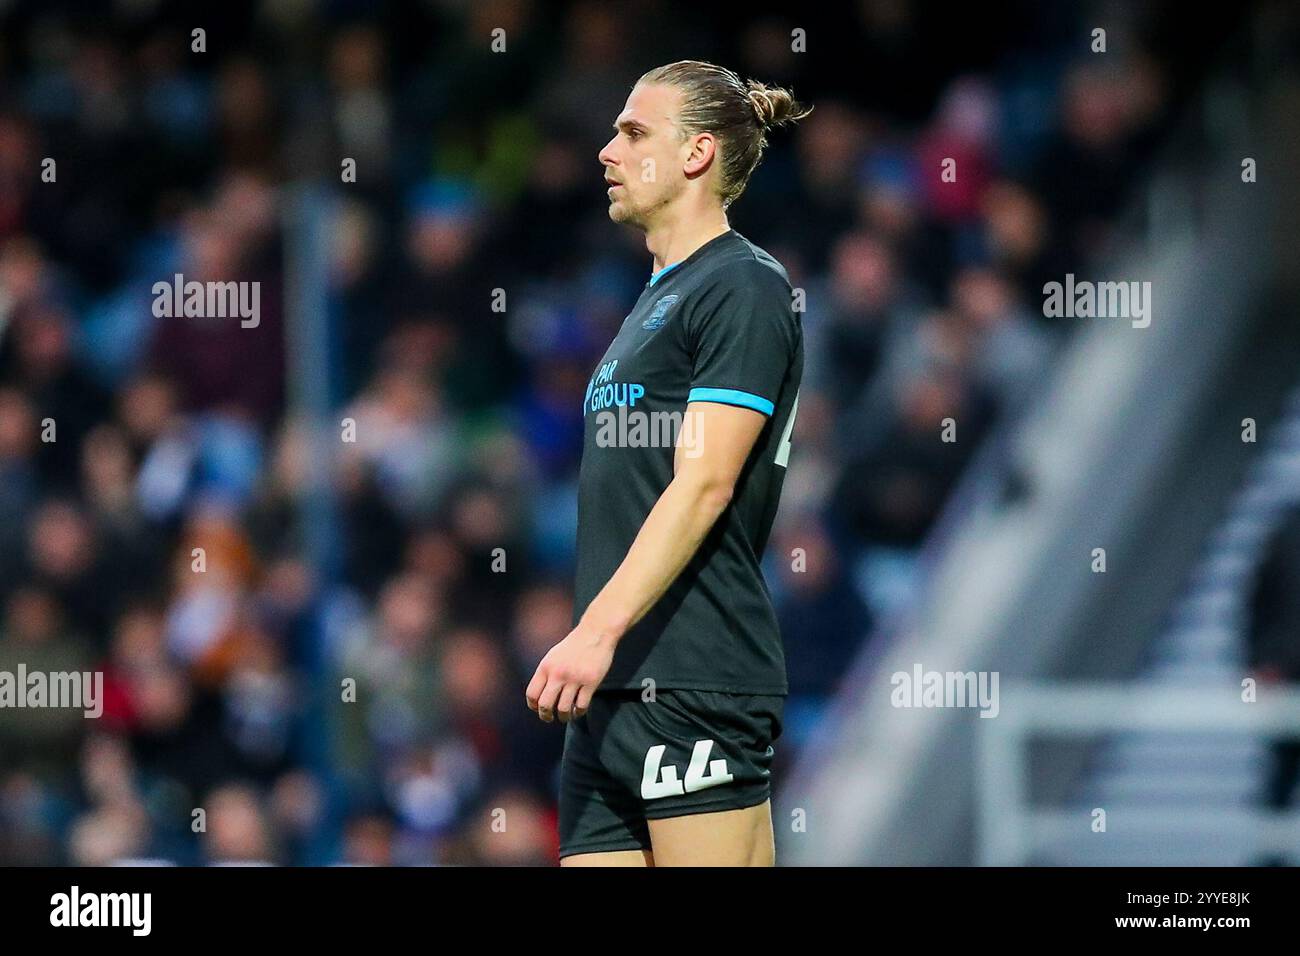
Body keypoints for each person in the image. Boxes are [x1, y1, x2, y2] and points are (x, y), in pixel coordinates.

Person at [524, 60, 810, 866]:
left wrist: (595, 629)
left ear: (696, 154)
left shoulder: (743, 287)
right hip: (610, 689)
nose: (607, 152)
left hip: (694, 676)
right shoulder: (652, 299)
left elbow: (707, 481)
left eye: (633, 132)